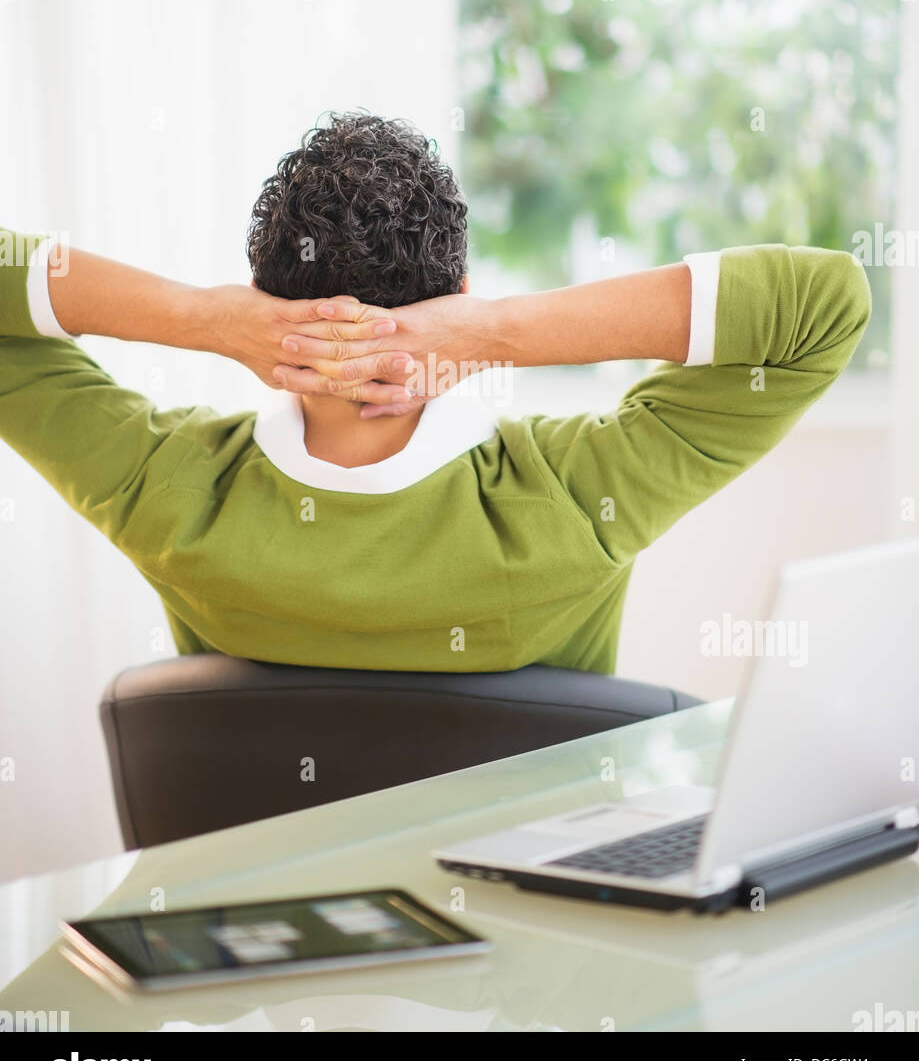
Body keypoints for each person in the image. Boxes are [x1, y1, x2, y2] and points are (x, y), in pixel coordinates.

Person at [0, 112, 870, 674]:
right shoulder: (573, 498)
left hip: (275, 950)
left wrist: (200, 318)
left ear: (260, 289)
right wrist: (493, 333)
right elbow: (825, 306)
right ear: (455, 283)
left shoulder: (169, 493)